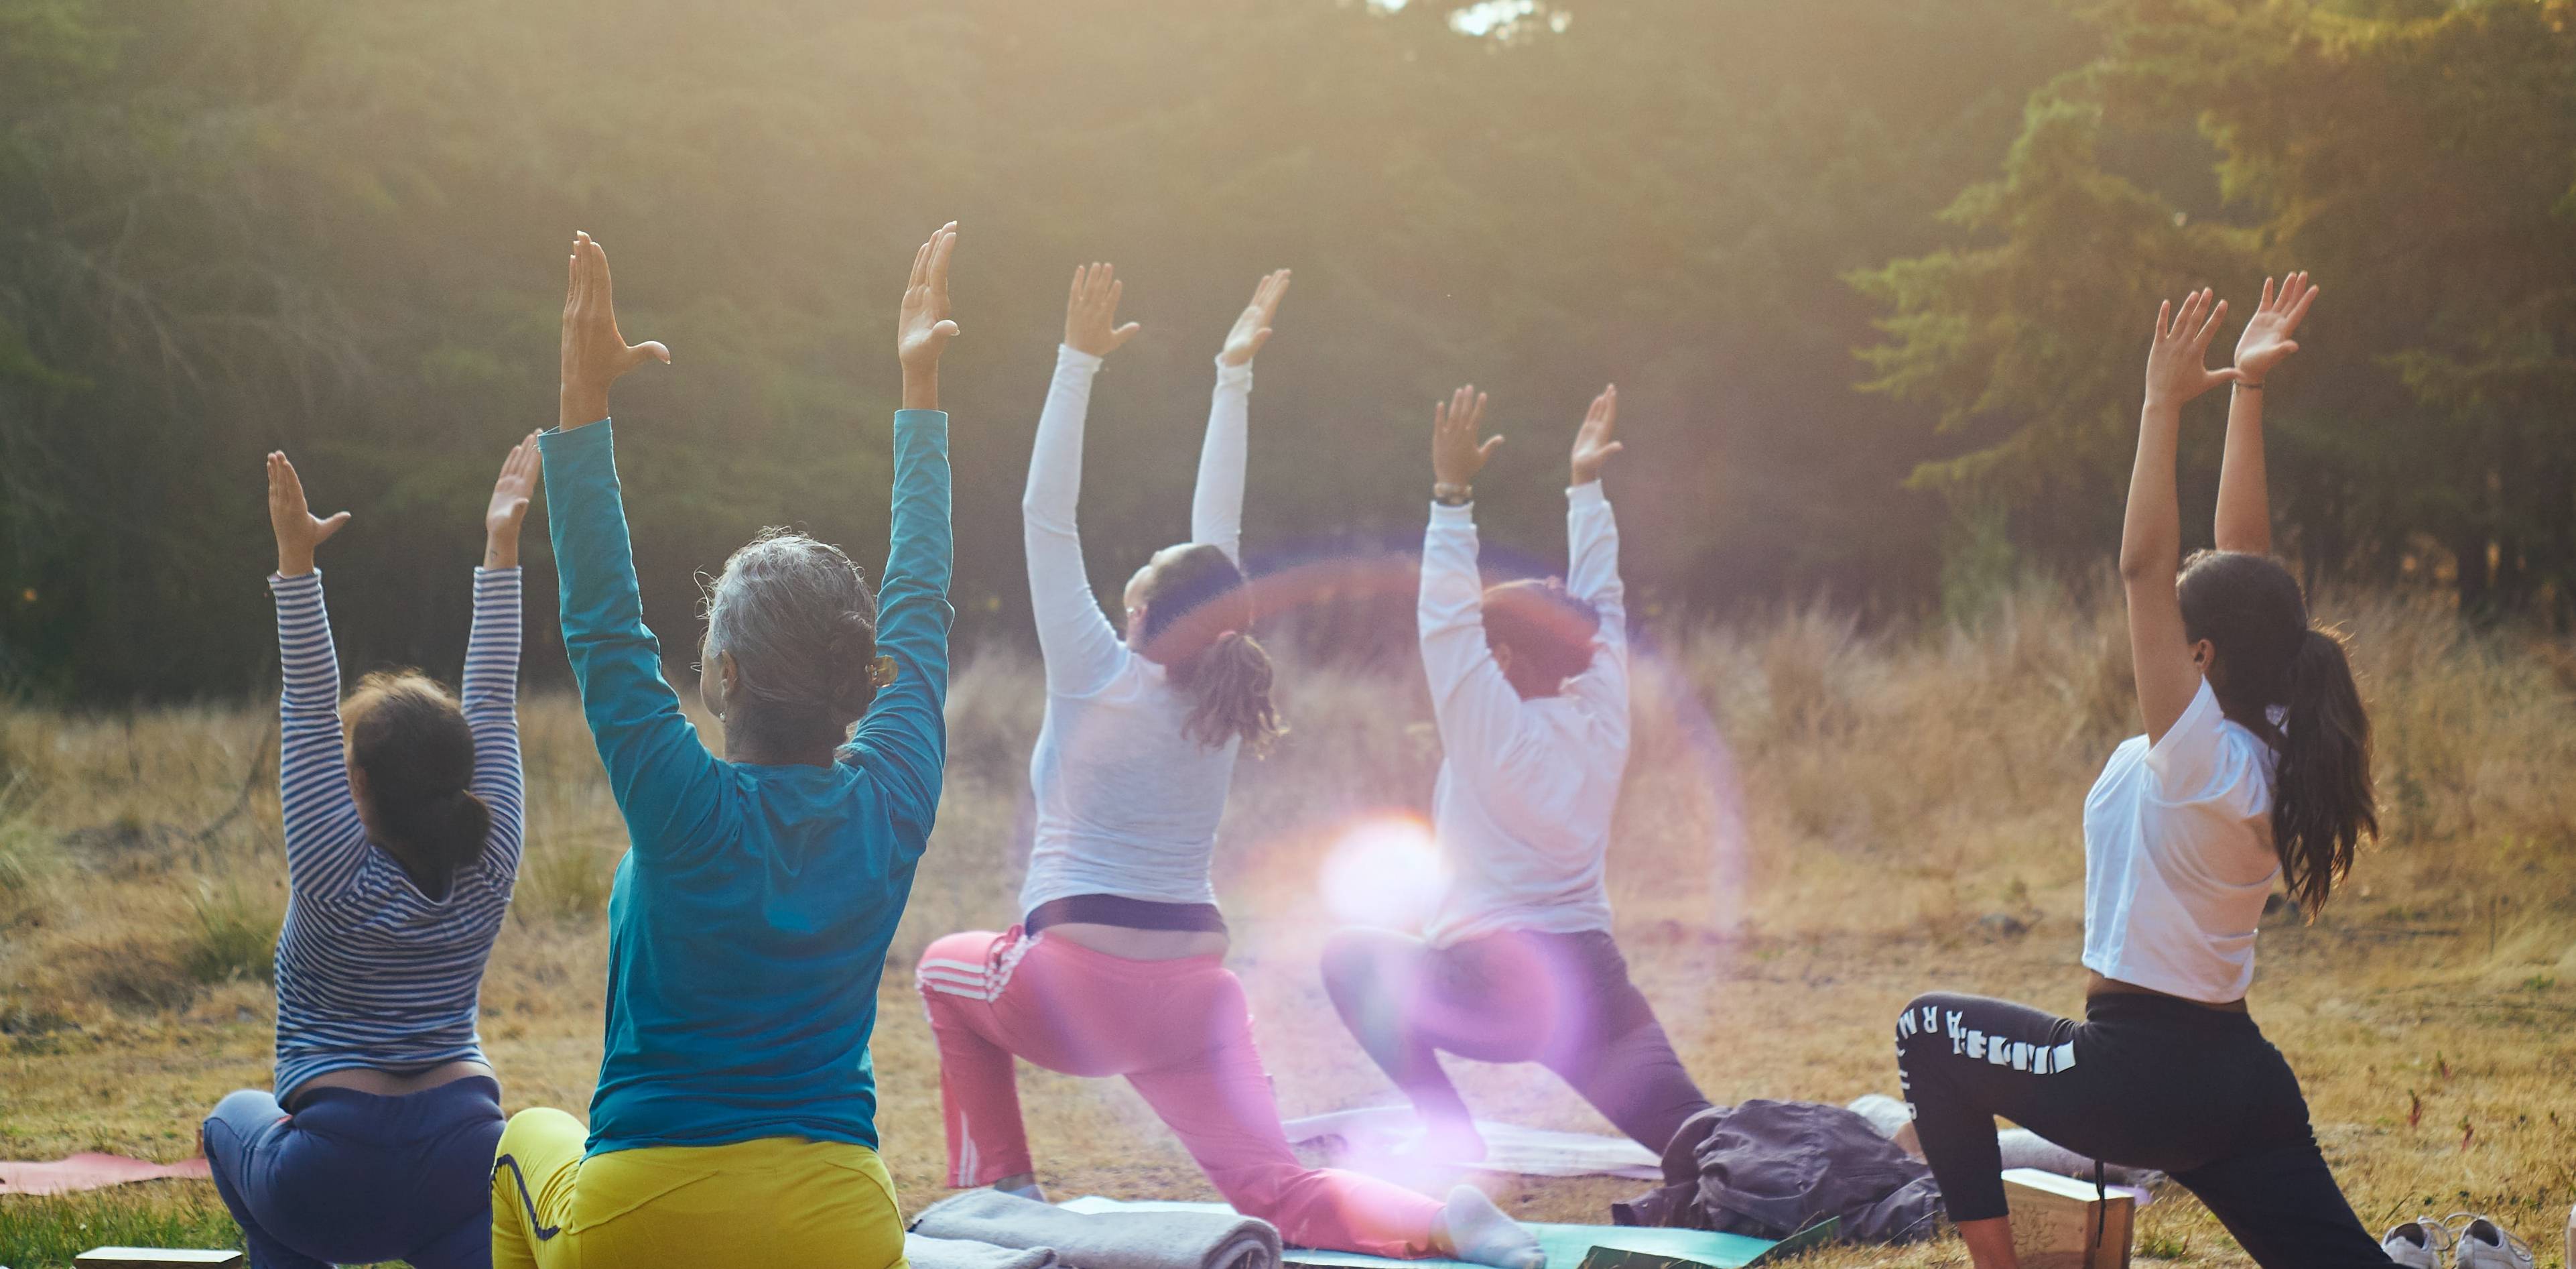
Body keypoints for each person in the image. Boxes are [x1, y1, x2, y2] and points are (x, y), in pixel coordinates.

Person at [917, 265, 1543, 1269]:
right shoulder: (1218, 696)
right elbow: (1221, 542)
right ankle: (1449, 1220)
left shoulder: (1096, 672)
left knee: (941, 971)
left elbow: (1046, 512)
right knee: (1276, 1188)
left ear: (1136, 611)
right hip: (1194, 994)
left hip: (1072, 987)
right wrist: (1232, 376)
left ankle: (1004, 1190)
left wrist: (1076, 361)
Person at [1892, 276, 2394, 1268]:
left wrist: (2161, 405)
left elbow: (2140, 570)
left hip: (2134, 1079)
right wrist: (2246, 391)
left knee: (1925, 1033)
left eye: (2178, 625)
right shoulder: (2270, 730)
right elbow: (2247, 567)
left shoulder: (2200, 754)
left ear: (2200, 654)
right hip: (2239, 1085)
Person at [489, 225, 956, 1268]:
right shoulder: (891, 798)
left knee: (523, 1139)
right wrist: (919, 392)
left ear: (724, 676)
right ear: (855, 674)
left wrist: (583, 399)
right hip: (840, 1222)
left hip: (648, 1216)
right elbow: (921, 602)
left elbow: (604, 627)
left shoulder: (681, 809)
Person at [1318, 383, 1712, 1164]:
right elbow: (1604, 607)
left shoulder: (1488, 731)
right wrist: (1585, 489)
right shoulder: (1601, 718)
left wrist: (1451, 496)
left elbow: (1444, 623)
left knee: (1347, 957)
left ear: (1499, 657)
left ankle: (1449, 1136)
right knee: (1706, 1142)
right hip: (1592, 990)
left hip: (1491, 991)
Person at [201, 435, 538, 1269]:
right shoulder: (492, 858)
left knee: (227, 1121)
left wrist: (297, 562)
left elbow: (309, 701)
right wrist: (501, 546)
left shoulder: (331, 875)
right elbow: (493, 697)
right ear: (461, 774)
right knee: (453, 1229)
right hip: (466, 1156)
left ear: (354, 782)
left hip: (331, 1176)